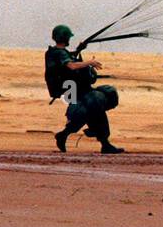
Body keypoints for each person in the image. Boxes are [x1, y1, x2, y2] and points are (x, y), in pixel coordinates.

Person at [44, 25, 125, 154]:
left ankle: (100, 141)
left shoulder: (55, 52)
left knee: (98, 103)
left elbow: (69, 60)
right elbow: (70, 65)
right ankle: (102, 141)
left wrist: (79, 50)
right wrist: (89, 63)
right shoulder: (58, 53)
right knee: (95, 103)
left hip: (76, 89)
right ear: (65, 37)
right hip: (74, 90)